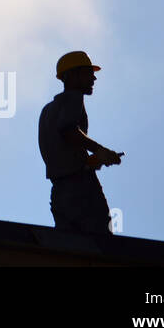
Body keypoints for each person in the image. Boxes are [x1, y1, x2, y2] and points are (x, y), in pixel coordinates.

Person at [38, 51, 123, 236]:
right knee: (102, 244)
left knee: (69, 247)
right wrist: (101, 150)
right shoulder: (72, 98)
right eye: (87, 72)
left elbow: (62, 152)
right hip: (80, 189)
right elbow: (69, 131)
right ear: (72, 75)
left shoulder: (48, 110)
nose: (93, 78)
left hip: (60, 192)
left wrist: (91, 161)